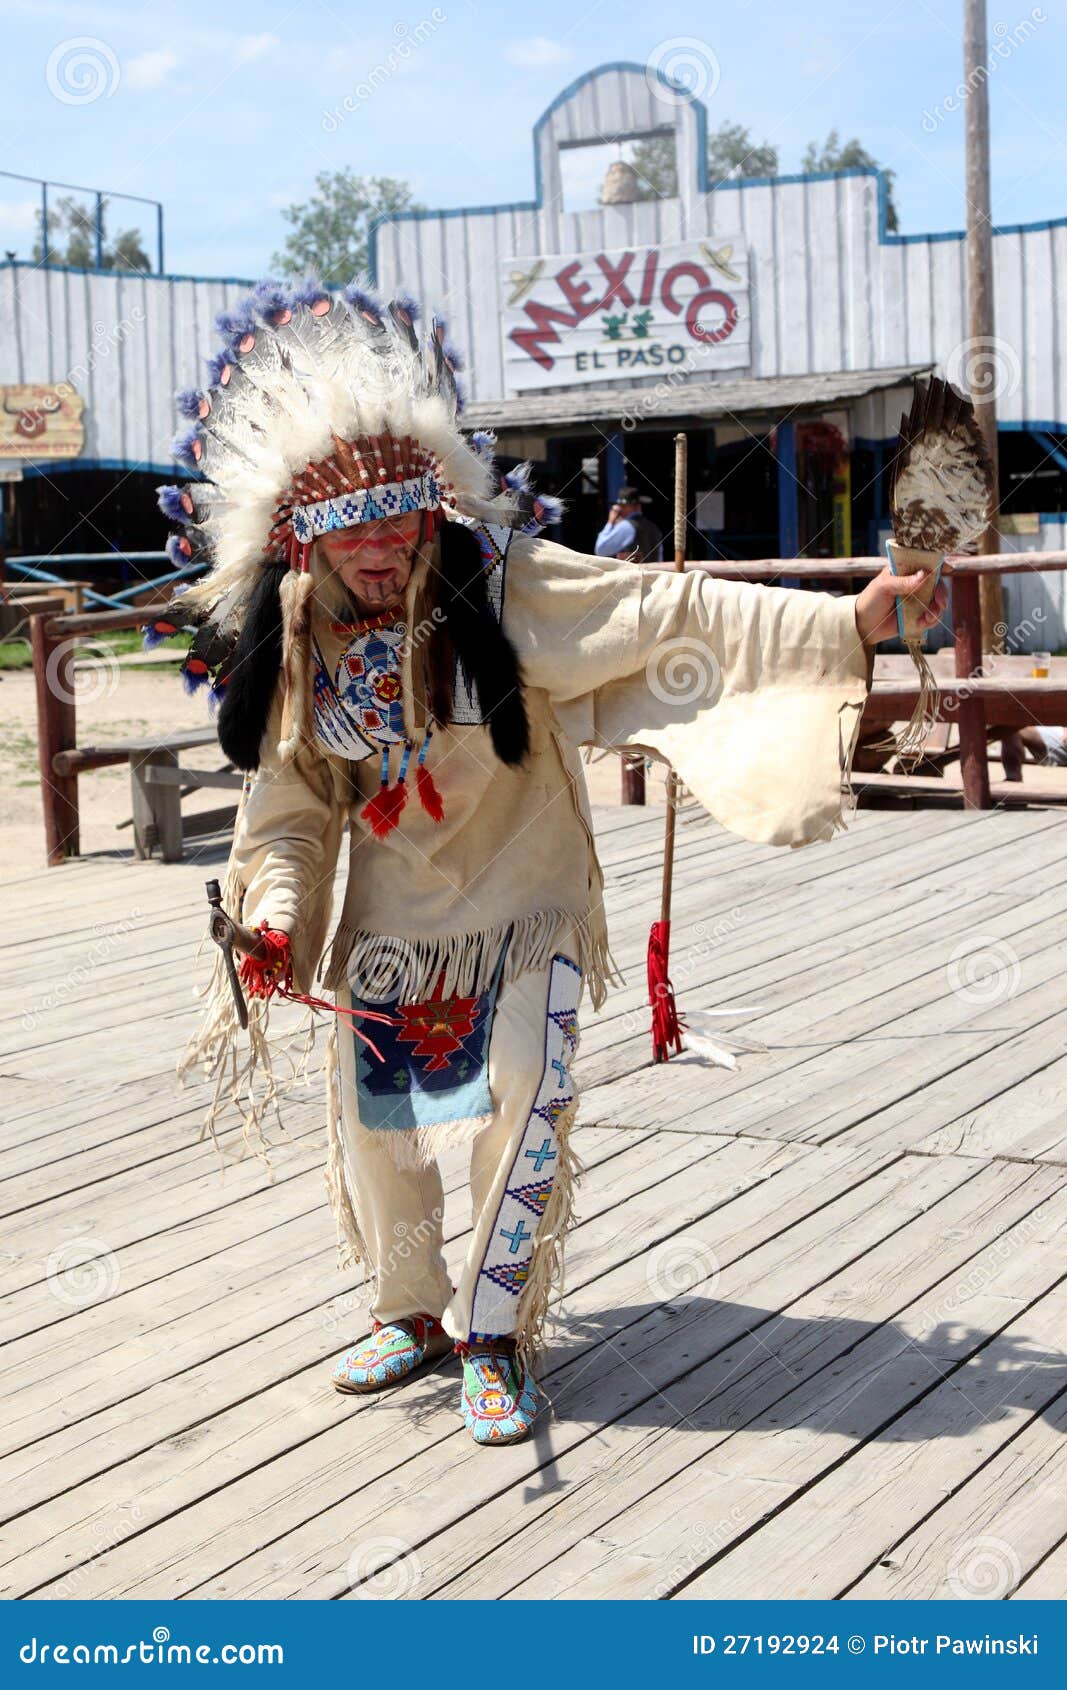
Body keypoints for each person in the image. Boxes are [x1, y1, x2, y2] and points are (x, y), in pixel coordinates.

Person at [166, 280, 943, 1448]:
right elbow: (289, 809)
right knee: (376, 1125)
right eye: (353, 531)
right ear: (304, 537)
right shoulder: (298, 641)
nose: (380, 551)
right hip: (386, 921)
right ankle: (410, 1310)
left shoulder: (508, 584)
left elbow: (663, 609)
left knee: (520, 1101)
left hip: (525, 907)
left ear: (431, 512)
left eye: (398, 523)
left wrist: (842, 624)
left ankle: (491, 1332)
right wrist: (272, 917)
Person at [594, 485, 661, 561]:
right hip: (654, 571)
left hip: (633, 572)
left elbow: (600, 550)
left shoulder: (626, 526)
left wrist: (610, 522)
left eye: (621, 506)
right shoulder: (654, 527)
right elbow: (659, 558)